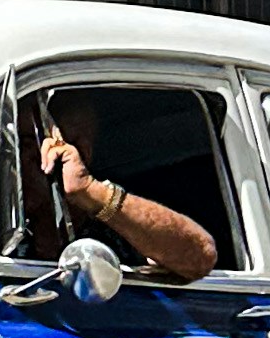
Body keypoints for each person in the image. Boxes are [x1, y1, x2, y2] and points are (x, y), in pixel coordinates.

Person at [33, 92, 219, 283]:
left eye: (28, 144)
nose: (14, 163)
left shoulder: (114, 224)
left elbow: (201, 257)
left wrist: (90, 192)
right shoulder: (6, 225)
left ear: (80, 150)